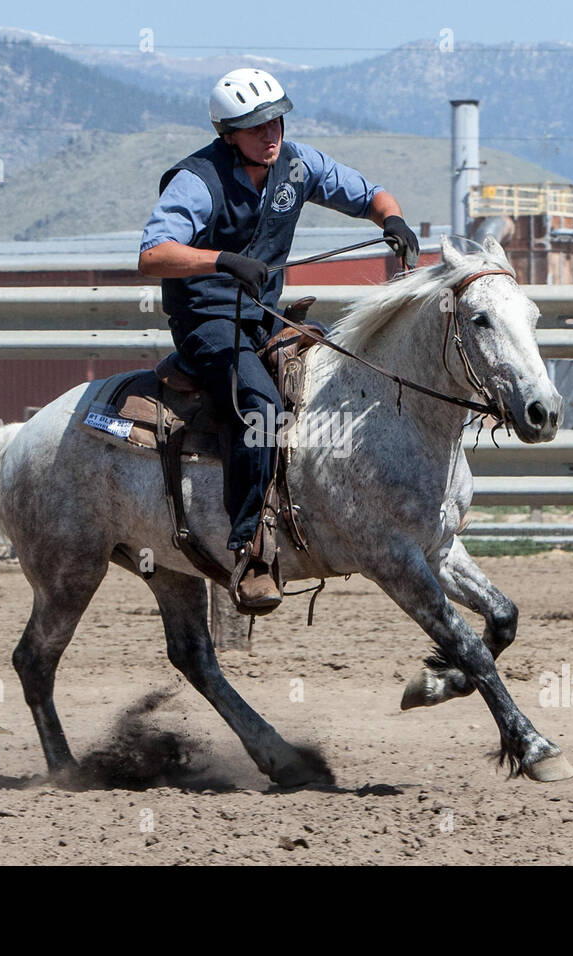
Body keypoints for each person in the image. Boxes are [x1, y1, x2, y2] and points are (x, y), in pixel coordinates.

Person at [138, 68, 418, 614]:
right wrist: (220, 260)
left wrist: (395, 220)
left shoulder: (299, 163)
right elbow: (153, 254)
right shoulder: (197, 181)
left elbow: (371, 194)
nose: (271, 134)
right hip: (207, 320)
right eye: (255, 127)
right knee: (260, 408)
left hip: (262, 314)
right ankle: (249, 550)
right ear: (227, 134)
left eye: (276, 121)